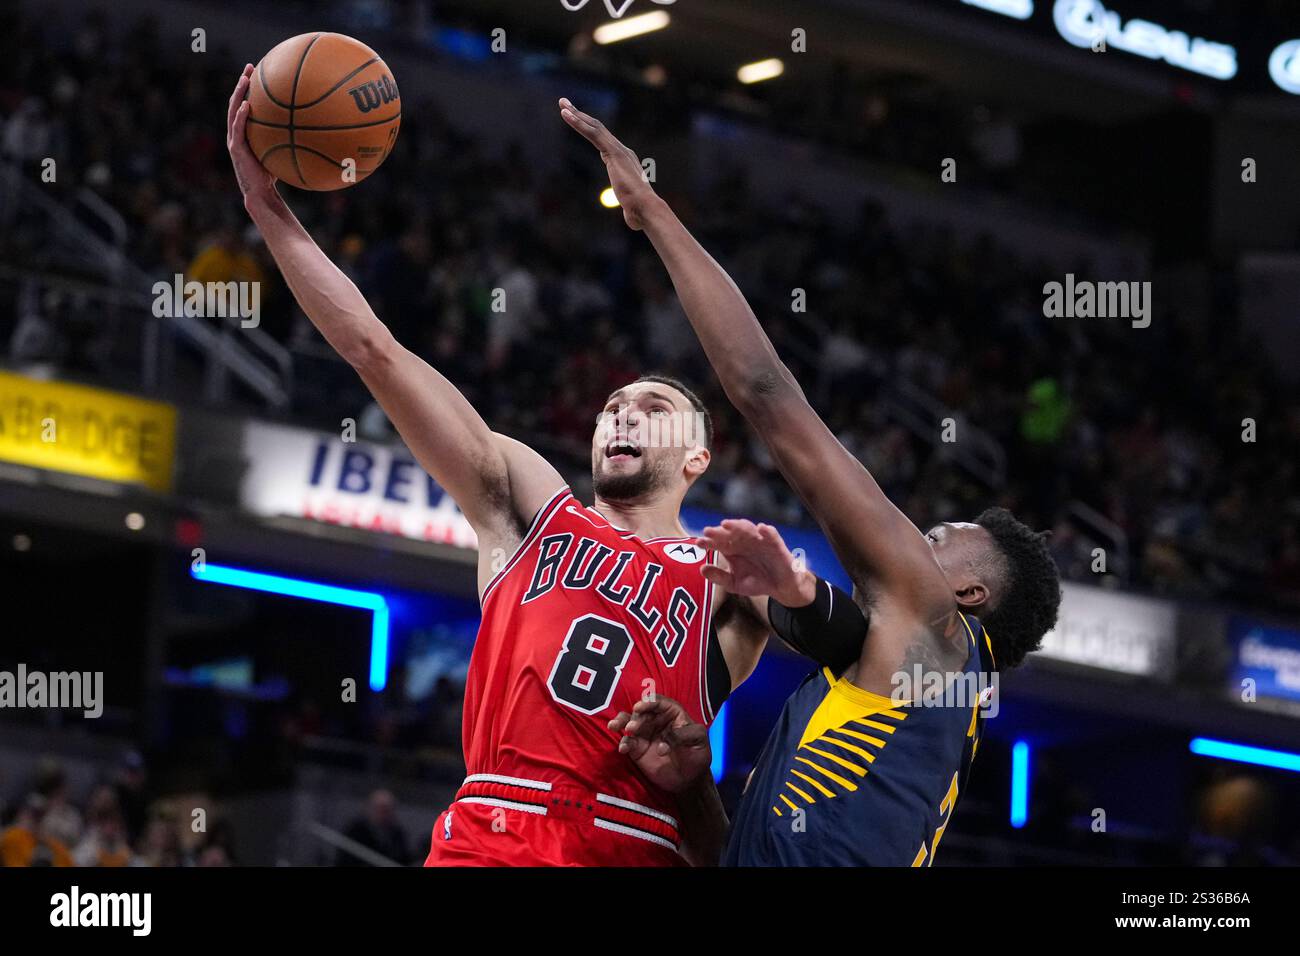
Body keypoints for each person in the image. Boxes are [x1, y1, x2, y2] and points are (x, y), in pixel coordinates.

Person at [225, 67, 776, 866]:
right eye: (612, 407)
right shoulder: (534, 509)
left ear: (699, 454)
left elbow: (853, 635)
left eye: (653, 410)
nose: (622, 414)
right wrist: (263, 207)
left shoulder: (727, 572)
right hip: (496, 826)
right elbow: (374, 350)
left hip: (633, 838)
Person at [562, 98, 1062, 865]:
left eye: (934, 540)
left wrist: (654, 213)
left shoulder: (934, 628)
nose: (908, 539)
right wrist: (695, 789)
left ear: (967, 597)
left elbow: (765, 390)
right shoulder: (908, 704)